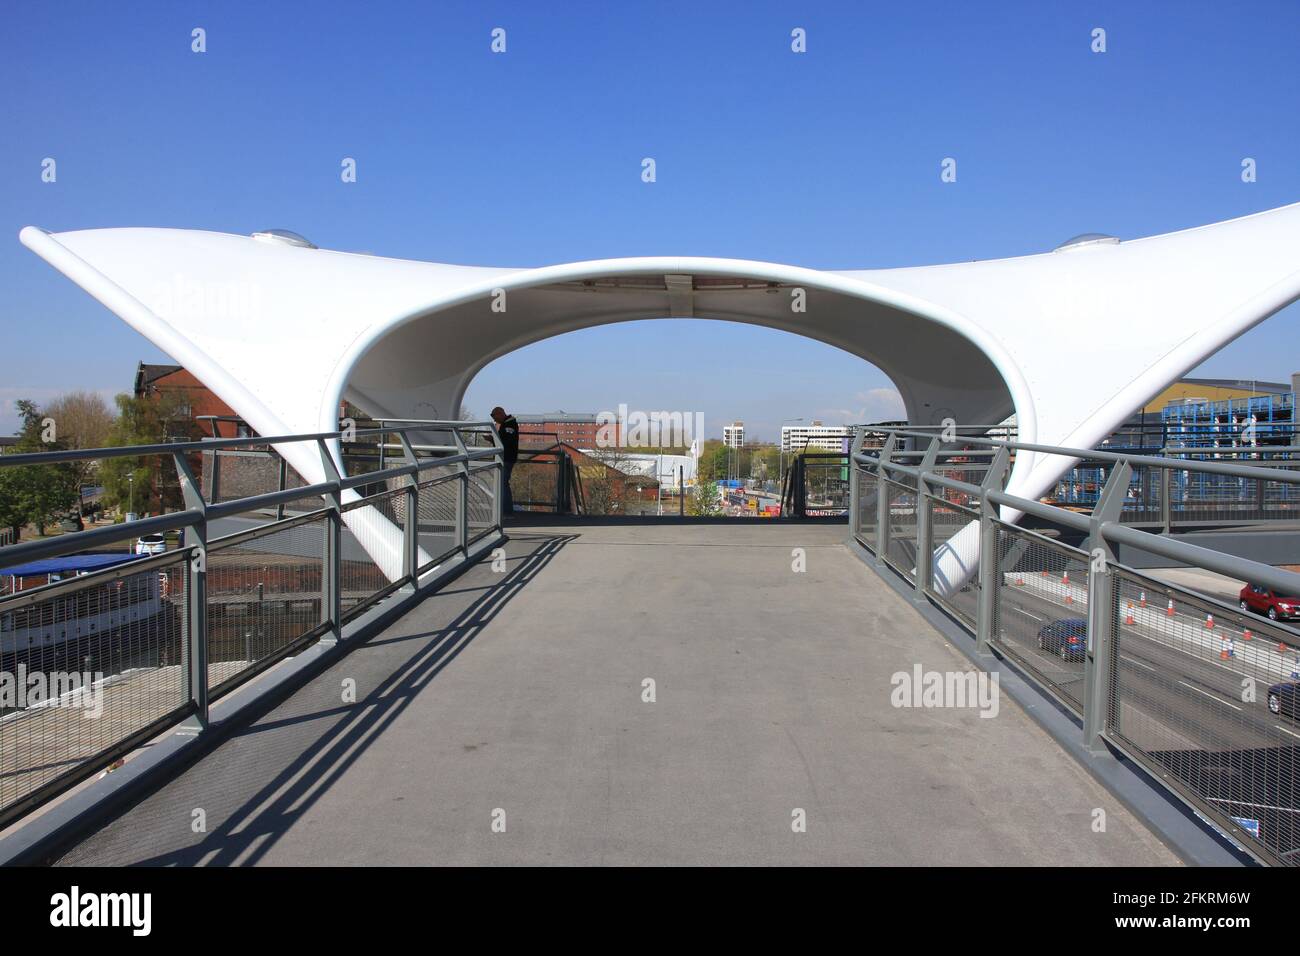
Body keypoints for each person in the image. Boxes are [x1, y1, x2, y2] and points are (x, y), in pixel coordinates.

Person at [490, 406, 519, 517]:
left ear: (500, 414)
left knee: (503, 483)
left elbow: (506, 442)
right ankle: (505, 509)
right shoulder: (508, 423)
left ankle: (506, 510)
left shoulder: (509, 424)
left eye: (494, 416)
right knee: (503, 483)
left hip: (506, 457)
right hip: (507, 457)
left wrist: (493, 439)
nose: (494, 420)